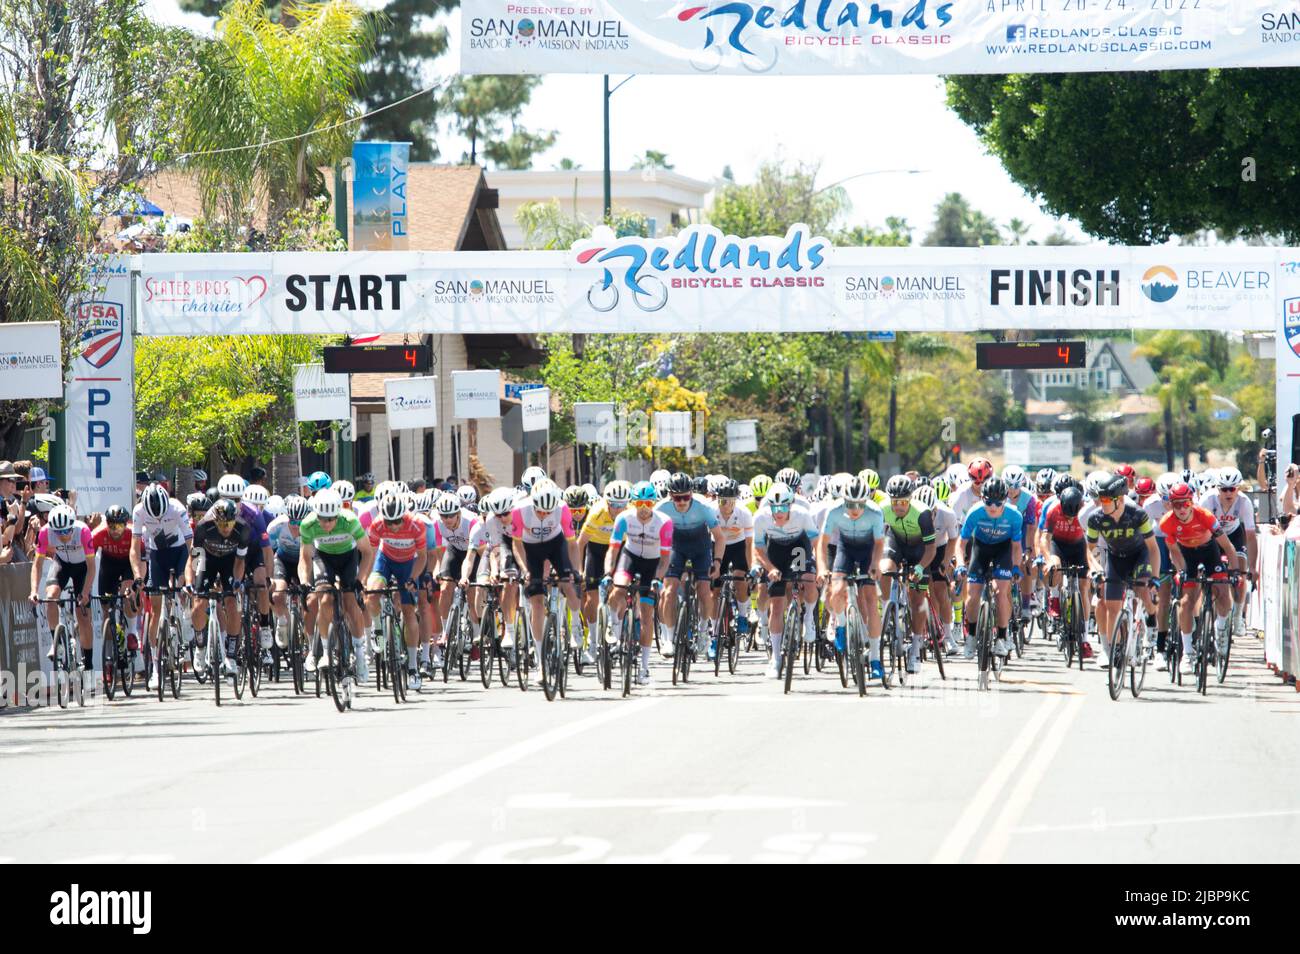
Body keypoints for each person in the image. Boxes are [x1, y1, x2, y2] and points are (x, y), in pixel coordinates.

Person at [1160, 482, 1241, 675]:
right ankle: (1188, 653)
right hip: (1187, 555)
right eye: (1176, 504)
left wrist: (1235, 572)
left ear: (1191, 502)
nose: (1180, 509)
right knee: (1187, 602)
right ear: (1171, 505)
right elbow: (1174, 551)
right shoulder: (1167, 522)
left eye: (1185, 504)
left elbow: (1228, 547)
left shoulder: (1205, 516)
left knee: (1222, 591)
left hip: (1209, 552)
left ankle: (1221, 628)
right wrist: (1181, 571)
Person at [1084, 473, 1160, 664]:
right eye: (1101, 499)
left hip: (1139, 555)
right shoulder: (1096, 518)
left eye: (1107, 499)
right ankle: (1114, 651)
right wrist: (1095, 568)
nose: (1103, 503)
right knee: (1112, 607)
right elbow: (1088, 549)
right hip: (1115, 558)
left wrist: (1155, 577)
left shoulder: (1137, 514)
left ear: (1119, 500)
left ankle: (1151, 616)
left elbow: (1153, 548)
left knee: (1142, 587)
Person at [817, 475, 885, 678]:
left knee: (871, 600)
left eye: (859, 504)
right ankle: (840, 625)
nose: (854, 509)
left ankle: (875, 659)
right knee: (836, 591)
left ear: (866, 501)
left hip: (867, 551)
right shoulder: (834, 510)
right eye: (849, 504)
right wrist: (821, 568)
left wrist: (875, 564)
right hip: (845, 550)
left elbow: (880, 543)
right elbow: (822, 542)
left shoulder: (875, 512)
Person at [606, 481, 673, 685]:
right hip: (631, 556)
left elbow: (664, 560)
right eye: (639, 504)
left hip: (653, 564)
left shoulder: (664, 522)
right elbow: (614, 549)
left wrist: (657, 580)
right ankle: (613, 626)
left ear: (654, 503)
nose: (643, 509)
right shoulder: (623, 518)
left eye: (648, 504)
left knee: (646, 614)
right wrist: (608, 572)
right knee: (618, 587)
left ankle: (644, 668)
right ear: (632, 503)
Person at [752, 481, 820, 679]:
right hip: (776, 550)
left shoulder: (802, 515)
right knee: (777, 604)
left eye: (783, 507)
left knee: (807, 578)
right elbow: (758, 549)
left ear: (790, 505)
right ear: (769, 506)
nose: (779, 512)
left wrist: (818, 566)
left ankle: (808, 619)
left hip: (799, 546)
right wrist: (770, 569)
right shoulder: (761, 518)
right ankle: (775, 658)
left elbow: (816, 542)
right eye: (775, 507)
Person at [655, 472, 726, 659]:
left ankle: (703, 632)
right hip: (676, 546)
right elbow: (654, 536)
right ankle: (669, 639)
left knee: (704, 590)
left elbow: (719, 537)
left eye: (685, 497)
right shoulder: (661, 508)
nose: (681, 502)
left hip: (700, 547)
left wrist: (717, 563)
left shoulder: (703, 507)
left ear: (691, 495)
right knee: (668, 592)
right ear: (670, 496)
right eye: (677, 498)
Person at [958, 477, 1022, 660]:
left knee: (1001, 592)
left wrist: (1016, 567)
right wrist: (961, 564)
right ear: (982, 499)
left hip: (1003, 549)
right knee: (972, 595)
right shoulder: (975, 512)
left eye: (997, 503)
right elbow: (961, 544)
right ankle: (971, 636)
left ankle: (1002, 637)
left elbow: (1016, 547)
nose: (992, 507)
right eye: (988, 502)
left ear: (1005, 501)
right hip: (981, 549)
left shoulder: (1014, 515)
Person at [31, 504, 96, 679]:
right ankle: (57, 642)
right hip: (62, 564)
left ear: (72, 525)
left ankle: (89, 664)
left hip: (82, 567)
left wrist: (85, 592)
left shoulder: (83, 531)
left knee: (82, 615)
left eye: (67, 531)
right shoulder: (45, 532)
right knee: (51, 596)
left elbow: (91, 567)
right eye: (59, 532)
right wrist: (33, 591)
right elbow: (37, 565)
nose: (64, 535)